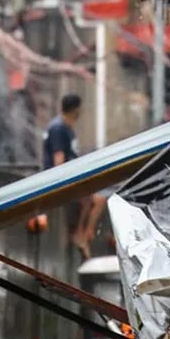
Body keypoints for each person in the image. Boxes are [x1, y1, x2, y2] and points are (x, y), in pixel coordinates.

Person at [42, 93, 107, 259]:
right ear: (75, 109)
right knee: (86, 193)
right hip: (58, 176)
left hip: (72, 174)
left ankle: (86, 234)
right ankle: (78, 234)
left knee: (99, 200)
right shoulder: (58, 128)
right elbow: (59, 159)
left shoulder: (68, 128)